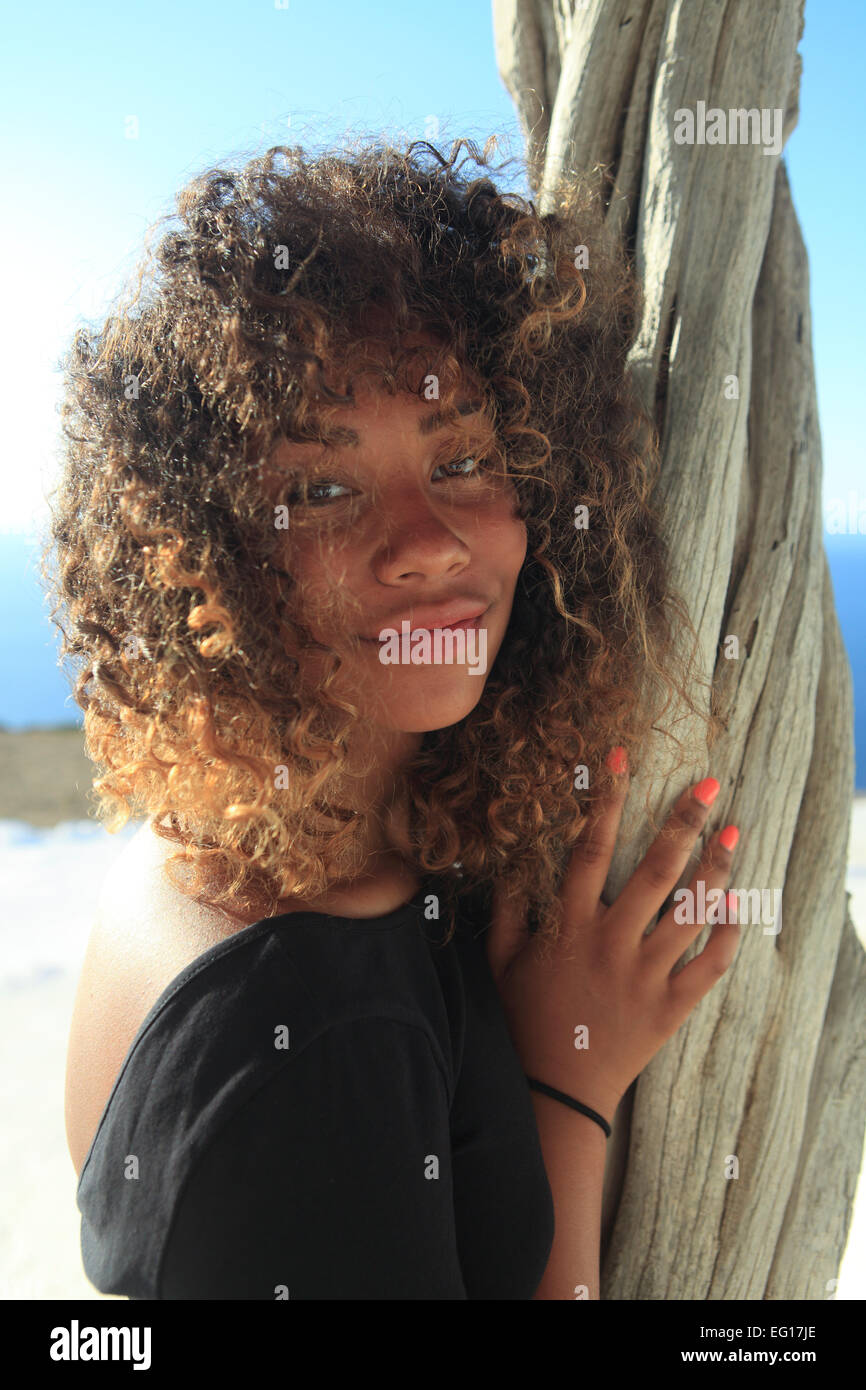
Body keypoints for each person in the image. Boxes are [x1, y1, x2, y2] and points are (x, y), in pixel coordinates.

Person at [44, 136, 741, 1299]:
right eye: (320, 488)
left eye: (464, 457)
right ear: (205, 558)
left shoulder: (196, 848)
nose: (429, 542)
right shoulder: (313, 1032)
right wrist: (568, 1080)